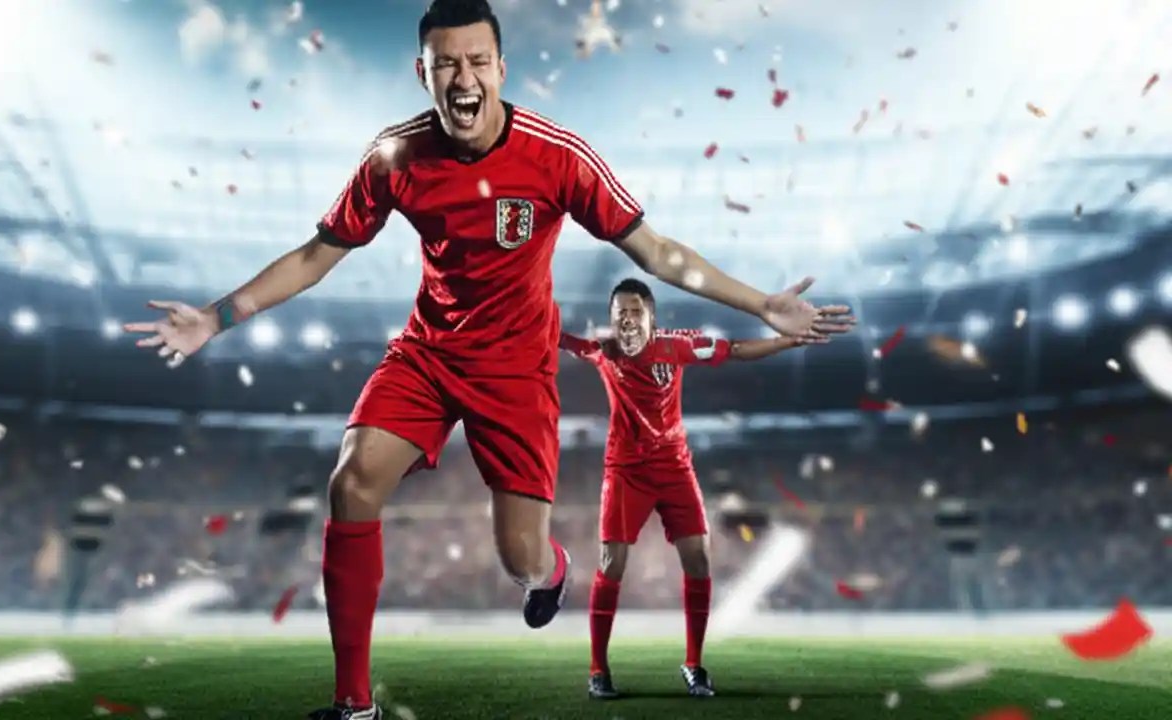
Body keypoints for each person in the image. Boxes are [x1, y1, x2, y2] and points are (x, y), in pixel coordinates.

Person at [124, 1, 855, 717]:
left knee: (520, 560)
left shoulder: (557, 156)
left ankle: (551, 570)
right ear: (424, 73)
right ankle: (353, 705)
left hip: (516, 369)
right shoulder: (396, 156)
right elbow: (321, 253)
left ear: (501, 68)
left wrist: (761, 303)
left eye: (477, 61)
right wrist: (216, 318)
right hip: (430, 353)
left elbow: (656, 251)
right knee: (350, 484)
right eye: (446, 64)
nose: (462, 77)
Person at [560, 278, 815, 700]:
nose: (626, 321)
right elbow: (556, 337)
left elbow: (734, 351)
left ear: (651, 318)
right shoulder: (601, 350)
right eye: (619, 313)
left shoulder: (677, 347)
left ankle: (694, 665)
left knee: (698, 558)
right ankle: (598, 670)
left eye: (634, 312)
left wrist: (787, 342)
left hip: (674, 467)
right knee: (611, 562)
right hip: (625, 470)